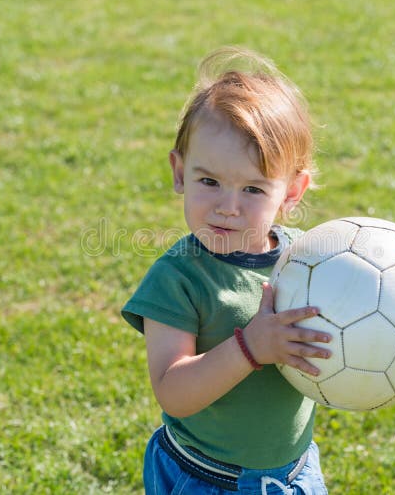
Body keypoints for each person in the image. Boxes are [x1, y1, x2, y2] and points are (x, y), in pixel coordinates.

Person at [122, 47, 332, 494]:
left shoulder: (308, 263)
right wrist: (251, 347)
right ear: (179, 172)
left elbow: (349, 336)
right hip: (206, 479)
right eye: (209, 181)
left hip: (296, 476)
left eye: (253, 188)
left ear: (292, 190)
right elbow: (172, 391)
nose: (227, 207)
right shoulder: (178, 278)